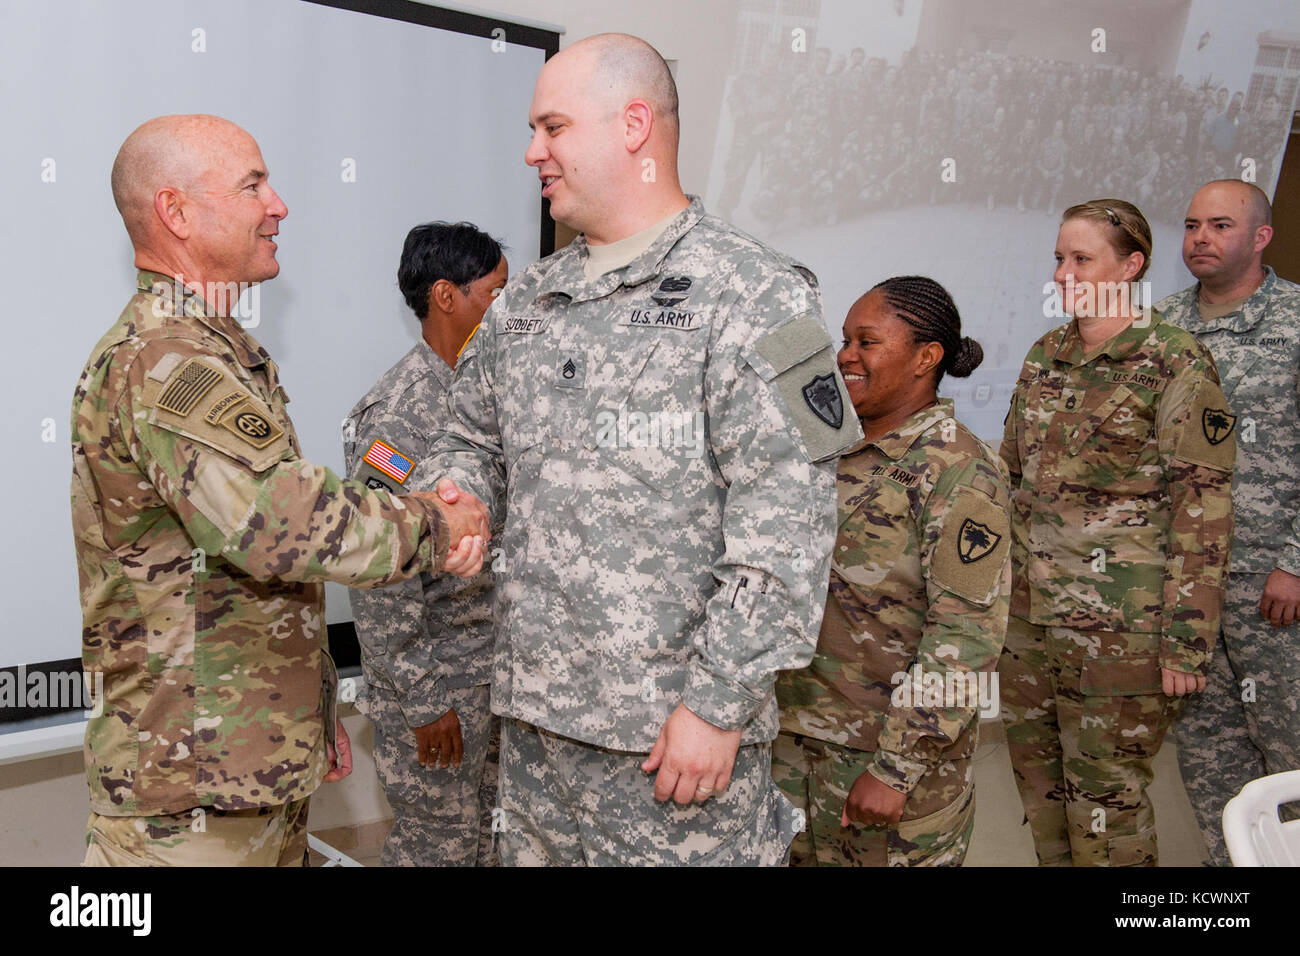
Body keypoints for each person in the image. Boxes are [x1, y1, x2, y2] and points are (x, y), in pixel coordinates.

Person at [426, 33, 861, 866]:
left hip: (672, 742)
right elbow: (467, 435)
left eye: (552, 128)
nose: (532, 152)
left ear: (632, 126)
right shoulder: (527, 303)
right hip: (535, 728)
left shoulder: (761, 291)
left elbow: (791, 518)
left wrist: (719, 701)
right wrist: (459, 493)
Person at [71, 114, 488, 867]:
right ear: (177, 212)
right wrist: (438, 525)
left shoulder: (221, 350)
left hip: (245, 766)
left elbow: (256, 572)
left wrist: (310, 703)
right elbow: (280, 525)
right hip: (188, 797)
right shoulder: (167, 361)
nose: (279, 206)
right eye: (252, 185)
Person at [998, 199, 1235, 866]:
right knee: (1043, 793)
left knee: (1105, 804)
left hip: (1120, 632)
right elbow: (1014, 479)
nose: (1063, 272)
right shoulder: (1047, 354)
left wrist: (1186, 644)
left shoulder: (1174, 361)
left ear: (1131, 265)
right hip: (1032, 624)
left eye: (1081, 259)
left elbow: (1204, 508)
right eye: (1058, 258)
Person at [774, 276, 1011, 866]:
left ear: (925, 358)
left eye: (868, 342)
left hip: (886, 764)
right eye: (845, 339)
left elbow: (966, 638)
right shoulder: (824, 443)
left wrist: (896, 769)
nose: (847, 356)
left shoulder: (959, 469)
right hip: (789, 745)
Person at [343, 222, 508, 866]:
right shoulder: (397, 418)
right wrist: (424, 699)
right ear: (447, 296)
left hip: (498, 676)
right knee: (436, 854)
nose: (506, 308)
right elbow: (377, 571)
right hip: (440, 686)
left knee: (494, 850)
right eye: (494, 293)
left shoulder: (492, 397)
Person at [1157, 179, 1300, 866]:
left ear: (1260, 237)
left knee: (1289, 747)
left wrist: (1297, 560)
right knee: (1209, 752)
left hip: (1271, 582)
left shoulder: (1296, 322)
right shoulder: (1159, 327)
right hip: (1186, 585)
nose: (1200, 239)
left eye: (1219, 225)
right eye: (1191, 226)